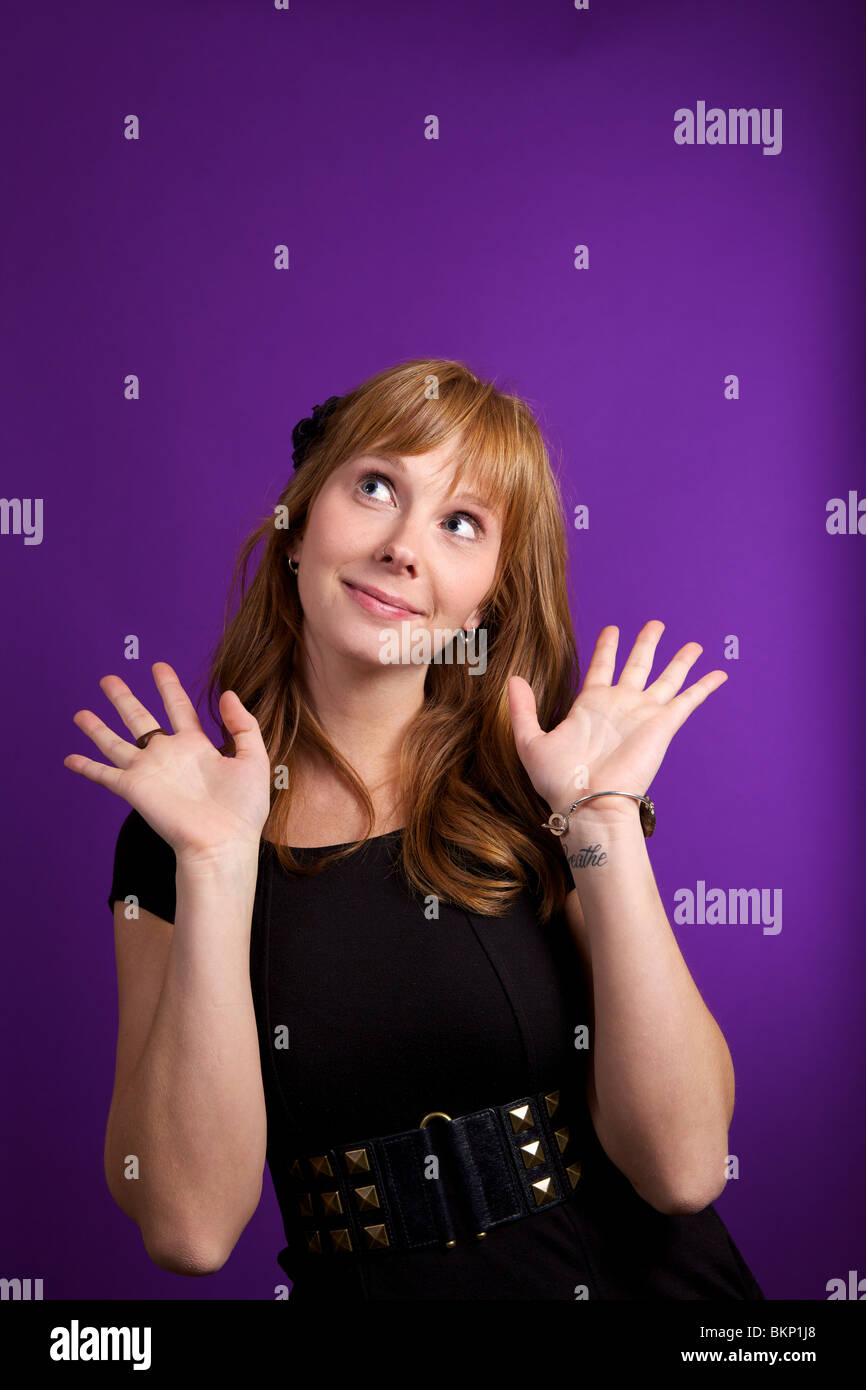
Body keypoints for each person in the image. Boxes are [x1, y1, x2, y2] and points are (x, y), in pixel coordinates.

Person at [65, 357, 765, 1300]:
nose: (405, 546)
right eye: (376, 486)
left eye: (460, 523)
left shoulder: (541, 788)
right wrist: (217, 865)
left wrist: (600, 820)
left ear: (489, 597)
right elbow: (188, 1228)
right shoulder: (179, 830)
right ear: (298, 526)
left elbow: (684, 1168)